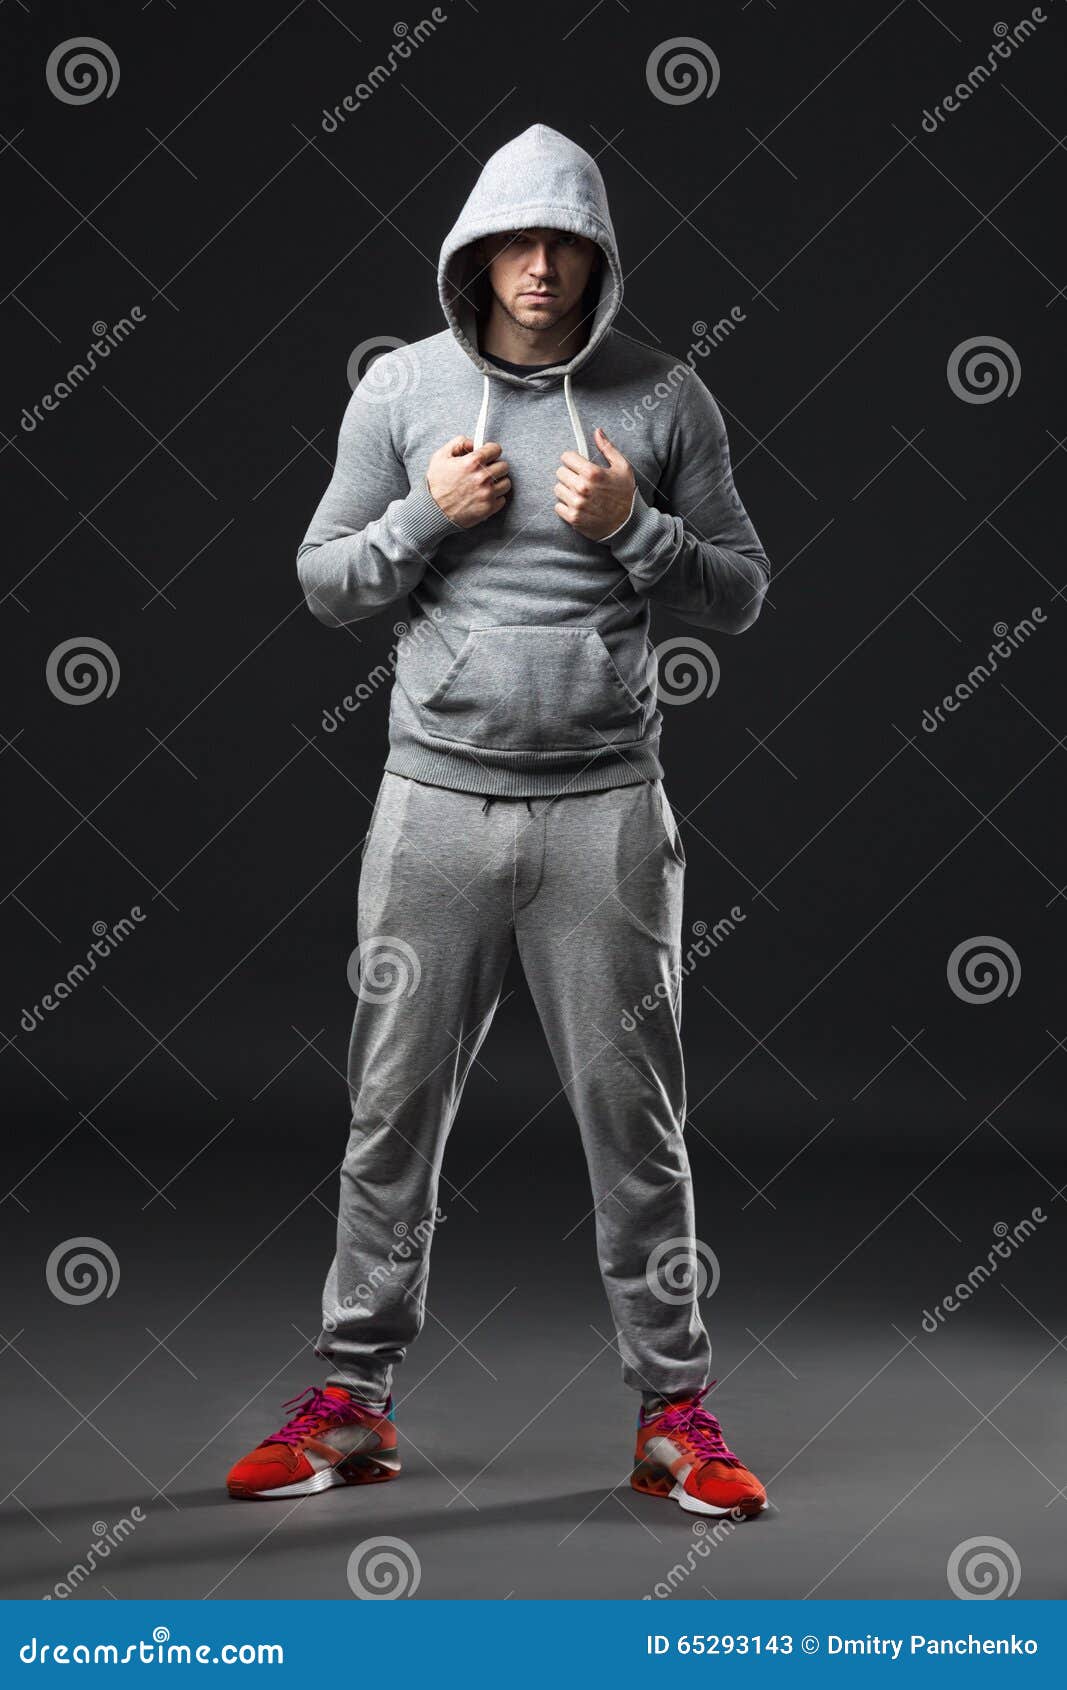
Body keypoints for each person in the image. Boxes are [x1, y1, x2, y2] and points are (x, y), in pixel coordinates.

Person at [227, 125, 770, 1518]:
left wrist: (636, 527)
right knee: (390, 1111)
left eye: (563, 242)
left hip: (605, 815)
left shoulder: (666, 399)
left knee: (637, 1121)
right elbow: (326, 579)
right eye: (514, 243)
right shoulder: (403, 389)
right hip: (435, 810)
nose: (539, 267)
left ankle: (674, 1411)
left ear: (596, 252)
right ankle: (352, 1402)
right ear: (477, 253)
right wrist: (424, 516)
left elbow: (740, 589)